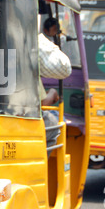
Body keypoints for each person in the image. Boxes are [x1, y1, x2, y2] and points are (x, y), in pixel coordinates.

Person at [38, 29, 72, 157]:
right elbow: (64, 68)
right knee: (57, 120)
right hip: (19, 118)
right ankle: (40, 167)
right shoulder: (28, 43)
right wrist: (52, 94)